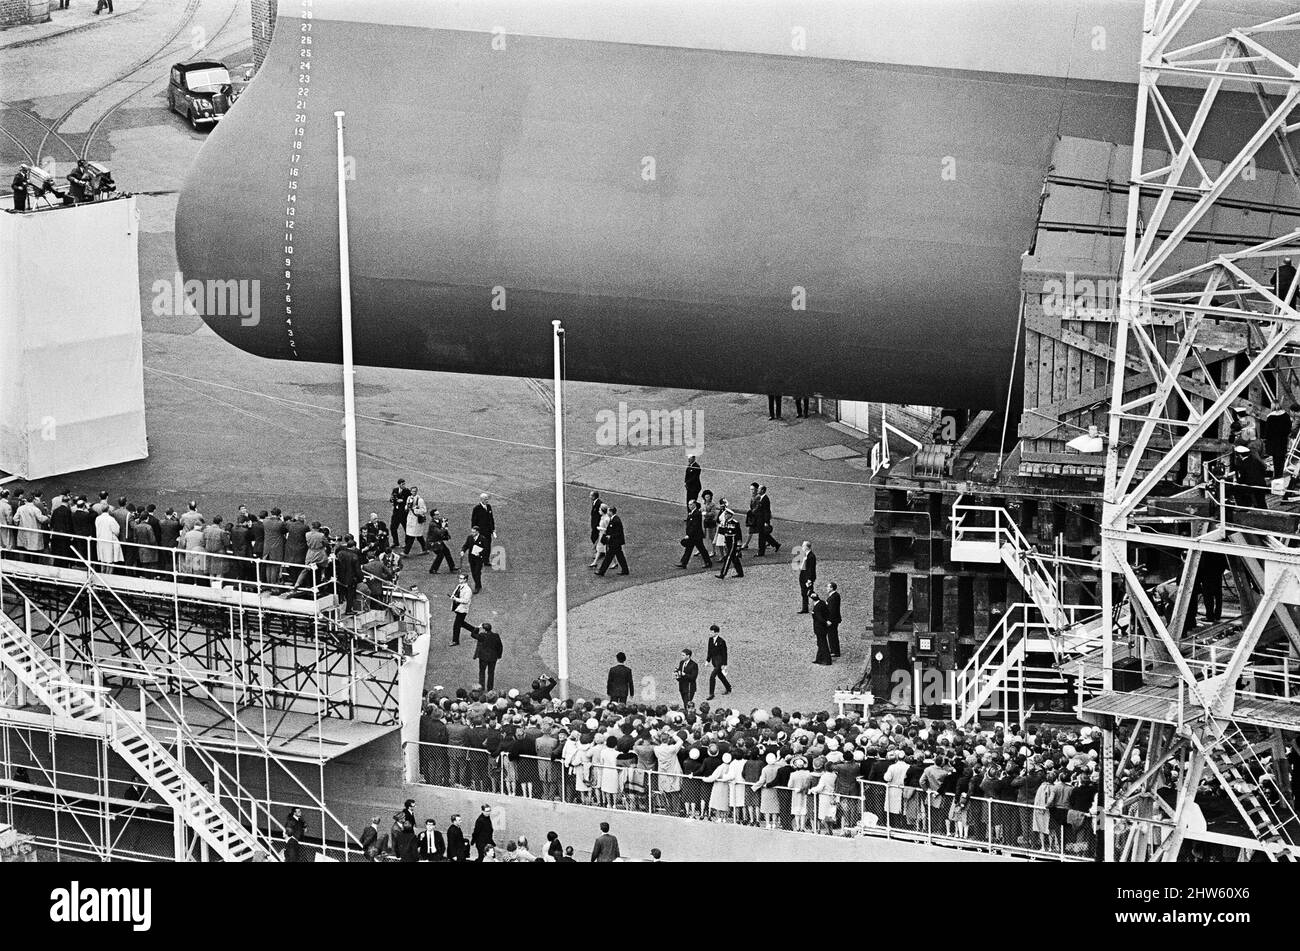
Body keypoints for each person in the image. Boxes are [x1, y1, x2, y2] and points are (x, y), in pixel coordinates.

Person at [1263, 399, 1294, 480]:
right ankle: (1280, 474)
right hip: (1283, 440)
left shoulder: (1270, 417)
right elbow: (1289, 428)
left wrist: (1266, 439)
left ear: (1272, 406)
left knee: (1276, 459)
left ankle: (1276, 475)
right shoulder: (1286, 415)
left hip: (1273, 441)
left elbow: (1267, 432)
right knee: (1282, 458)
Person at [677, 499, 712, 569]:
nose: (689, 506)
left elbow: (694, 526)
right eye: (689, 504)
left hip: (696, 536)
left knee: (700, 549)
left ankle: (708, 562)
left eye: (690, 504)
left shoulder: (696, 513)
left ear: (694, 505)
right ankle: (683, 562)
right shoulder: (693, 513)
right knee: (690, 549)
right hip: (694, 535)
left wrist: (688, 535)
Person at [596, 506, 629, 576]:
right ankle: (625, 570)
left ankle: (601, 571)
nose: (607, 512)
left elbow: (618, 532)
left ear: (611, 512)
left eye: (608, 511)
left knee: (608, 557)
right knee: (620, 556)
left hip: (615, 542)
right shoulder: (614, 519)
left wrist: (610, 536)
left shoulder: (616, 520)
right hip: (616, 542)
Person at [471, 621, 503, 690]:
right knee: (491, 673)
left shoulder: (482, 635)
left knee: (482, 672)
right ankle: (490, 688)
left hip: (483, 658)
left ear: (484, 629)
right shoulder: (496, 635)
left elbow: (473, 634)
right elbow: (500, 646)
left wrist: (477, 627)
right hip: (493, 658)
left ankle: (482, 688)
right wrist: (499, 656)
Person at [334, 535, 363, 613]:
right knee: (350, 594)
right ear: (353, 547)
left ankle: (340, 601)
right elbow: (357, 570)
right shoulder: (354, 556)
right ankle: (348, 610)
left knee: (341, 590)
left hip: (340, 576)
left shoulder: (341, 553)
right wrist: (361, 578)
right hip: (351, 578)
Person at [716, 508, 744, 579]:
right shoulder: (725, 522)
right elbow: (722, 532)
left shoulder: (735, 523)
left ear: (730, 515)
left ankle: (723, 573)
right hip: (728, 542)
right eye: (725, 514)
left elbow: (739, 535)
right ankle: (740, 572)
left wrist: (739, 545)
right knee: (734, 558)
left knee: (728, 558)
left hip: (733, 542)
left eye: (726, 514)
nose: (725, 515)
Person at [705, 625, 731, 699]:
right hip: (714, 661)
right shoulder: (710, 640)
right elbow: (709, 651)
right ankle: (728, 687)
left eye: (712, 632)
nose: (710, 633)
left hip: (719, 661)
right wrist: (708, 660)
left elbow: (724, 653)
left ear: (716, 633)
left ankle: (711, 694)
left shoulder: (721, 641)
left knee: (712, 676)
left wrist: (724, 664)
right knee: (720, 675)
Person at [460, 526, 488, 591]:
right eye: (472, 532)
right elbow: (466, 545)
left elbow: (486, 549)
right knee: (473, 572)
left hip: (479, 558)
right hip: (471, 558)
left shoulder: (482, 539)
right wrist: (463, 551)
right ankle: (478, 584)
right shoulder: (469, 538)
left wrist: (480, 553)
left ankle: (477, 586)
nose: (472, 533)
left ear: (477, 532)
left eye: (474, 532)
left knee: (477, 572)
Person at [755, 485, 780, 555]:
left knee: (761, 537)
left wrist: (766, 522)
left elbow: (766, 511)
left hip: (763, 521)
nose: (757, 490)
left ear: (762, 490)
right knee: (765, 535)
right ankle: (776, 544)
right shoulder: (761, 498)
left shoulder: (765, 499)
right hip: (761, 520)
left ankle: (761, 552)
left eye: (759, 489)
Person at [450, 572, 473, 645]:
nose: (459, 579)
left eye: (461, 578)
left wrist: (456, 599)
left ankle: (455, 641)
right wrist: (453, 596)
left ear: (465, 580)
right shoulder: (459, 586)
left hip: (462, 610)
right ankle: (474, 629)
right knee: (461, 623)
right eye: (459, 578)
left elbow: (466, 601)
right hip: (458, 608)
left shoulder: (468, 590)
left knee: (456, 626)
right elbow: (455, 592)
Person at [404, 487, 428, 555]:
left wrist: (415, 510)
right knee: (419, 536)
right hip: (410, 519)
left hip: (416, 520)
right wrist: (407, 507)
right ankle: (425, 549)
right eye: (412, 491)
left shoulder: (420, 500)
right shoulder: (409, 498)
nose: (413, 492)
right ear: (410, 492)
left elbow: (424, 510)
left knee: (412, 536)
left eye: (415, 491)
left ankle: (406, 552)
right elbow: (406, 506)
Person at [471, 493, 495, 560]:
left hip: (488, 531)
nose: (487, 501)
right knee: (480, 546)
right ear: (481, 500)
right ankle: (478, 559)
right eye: (485, 499)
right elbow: (473, 521)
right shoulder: (476, 508)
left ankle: (486, 560)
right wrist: (474, 531)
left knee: (488, 546)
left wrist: (493, 529)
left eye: (487, 499)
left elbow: (491, 518)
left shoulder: (489, 507)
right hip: (480, 531)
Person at [811, 592, 833, 665]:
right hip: (823, 628)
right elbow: (827, 612)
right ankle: (819, 658)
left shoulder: (816, 607)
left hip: (819, 628)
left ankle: (827, 660)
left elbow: (819, 618)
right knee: (820, 643)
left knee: (822, 644)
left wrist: (825, 622)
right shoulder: (822, 603)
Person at [797, 540, 817, 613]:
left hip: (807, 578)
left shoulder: (811, 556)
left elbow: (811, 569)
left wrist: (809, 579)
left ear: (807, 547)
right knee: (804, 592)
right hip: (803, 576)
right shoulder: (806, 555)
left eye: (803, 546)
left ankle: (819, 603)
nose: (802, 547)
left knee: (809, 592)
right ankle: (805, 608)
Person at [825, 582, 842, 657]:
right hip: (835, 619)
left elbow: (832, 610)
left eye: (828, 587)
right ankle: (835, 650)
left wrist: (829, 620)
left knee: (832, 635)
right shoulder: (835, 595)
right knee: (833, 635)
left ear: (832, 588)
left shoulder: (833, 598)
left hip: (832, 620)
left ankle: (834, 651)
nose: (827, 588)